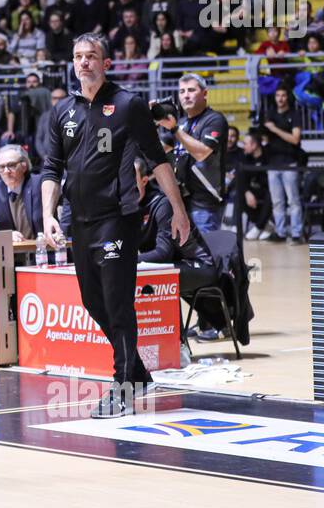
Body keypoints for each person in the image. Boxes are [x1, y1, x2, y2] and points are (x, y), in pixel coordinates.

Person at [40, 34, 191, 417]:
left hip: (118, 218)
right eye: (78, 56)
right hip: (80, 219)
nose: (84, 62)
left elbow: (157, 160)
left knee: (118, 303)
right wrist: (47, 215)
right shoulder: (63, 111)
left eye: (92, 56)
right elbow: (51, 168)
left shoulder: (127, 105)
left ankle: (123, 385)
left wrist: (178, 210)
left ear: (106, 64)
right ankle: (137, 370)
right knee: (93, 301)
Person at [133, 155, 223, 334]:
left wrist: (129, 260)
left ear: (144, 180)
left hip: (200, 265)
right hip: (174, 263)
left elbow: (163, 252)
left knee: (158, 277)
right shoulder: (128, 208)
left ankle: (177, 342)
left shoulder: (163, 204)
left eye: (130, 179)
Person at [156, 73, 227, 233]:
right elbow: (158, 151)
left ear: (205, 93)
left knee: (206, 255)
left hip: (205, 203)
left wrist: (174, 129)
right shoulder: (181, 123)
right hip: (181, 201)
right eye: (182, 92)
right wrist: (149, 124)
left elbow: (202, 153)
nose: (186, 95)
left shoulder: (214, 119)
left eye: (191, 90)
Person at [261, 86, 305, 243]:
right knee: (277, 202)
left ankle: (296, 233)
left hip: (290, 163)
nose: (280, 98)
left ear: (287, 97)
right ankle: (280, 232)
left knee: (293, 200)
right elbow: (265, 138)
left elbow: (295, 139)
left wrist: (275, 129)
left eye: (283, 95)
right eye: (278, 95)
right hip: (272, 164)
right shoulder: (270, 114)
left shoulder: (294, 114)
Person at [0, 144, 42, 242]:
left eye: (11, 165)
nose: (6, 171)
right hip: (13, 253)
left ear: (24, 166)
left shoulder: (38, 184)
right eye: (1, 167)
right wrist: (8, 234)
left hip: (41, 250)